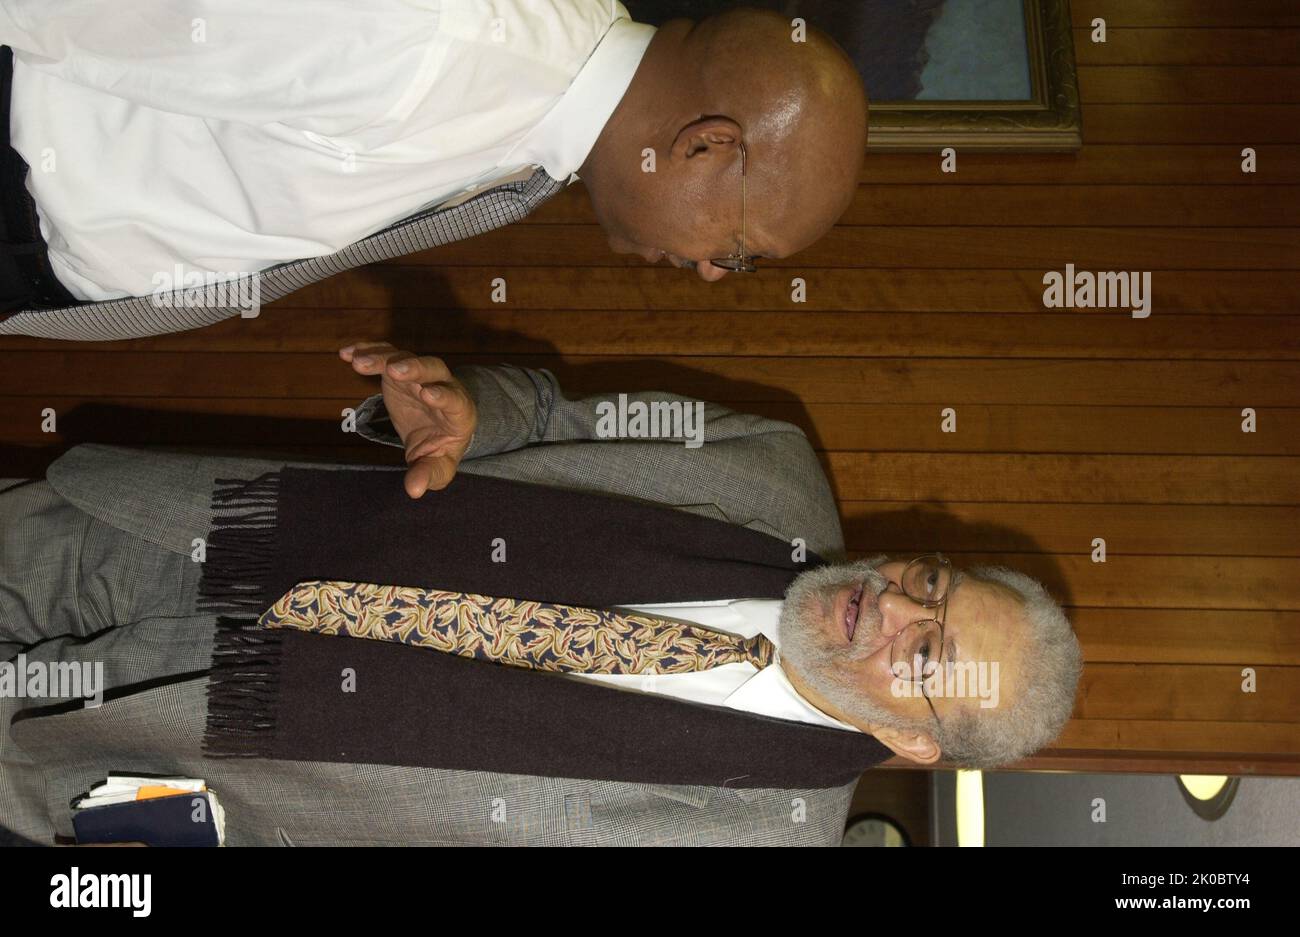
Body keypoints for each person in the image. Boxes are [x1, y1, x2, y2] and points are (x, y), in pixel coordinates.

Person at [0, 342, 1081, 846]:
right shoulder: (770, 466)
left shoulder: (764, 839)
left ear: (918, 746)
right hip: (203, 536)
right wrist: (472, 406)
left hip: (180, 745)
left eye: (926, 655)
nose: (894, 606)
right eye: (931, 583)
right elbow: (550, 413)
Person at [0, 1, 867, 338]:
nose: (716, 271)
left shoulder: (537, 107)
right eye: (743, 247)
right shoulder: (435, 36)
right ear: (707, 146)